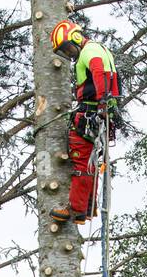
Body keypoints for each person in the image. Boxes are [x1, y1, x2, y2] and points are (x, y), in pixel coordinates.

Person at [48, 19, 121, 225]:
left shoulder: (90, 51)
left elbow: (99, 72)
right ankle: (86, 206)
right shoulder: (98, 50)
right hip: (98, 112)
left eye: (70, 48)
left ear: (76, 37)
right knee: (89, 161)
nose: (71, 53)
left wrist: (102, 102)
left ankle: (77, 209)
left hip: (91, 112)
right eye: (66, 51)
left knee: (81, 159)